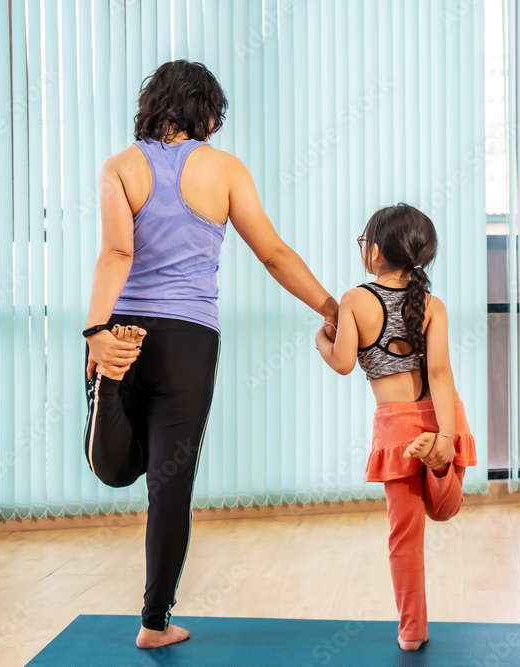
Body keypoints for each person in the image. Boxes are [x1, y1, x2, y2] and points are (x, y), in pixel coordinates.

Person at [81, 60, 339, 649]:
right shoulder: (223, 169)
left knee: (115, 468)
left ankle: (109, 386)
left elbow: (117, 253)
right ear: (207, 112)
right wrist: (328, 307)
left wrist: (96, 330)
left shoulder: (119, 167)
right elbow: (272, 253)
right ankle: (154, 624)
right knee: (170, 484)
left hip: (122, 328)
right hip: (189, 337)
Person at [314, 203, 478, 651]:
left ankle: (412, 632)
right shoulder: (433, 306)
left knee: (404, 537)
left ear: (375, 251)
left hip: (395, 430)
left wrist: (321, 342)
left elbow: (344, 364)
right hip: (440, 419)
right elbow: (441, 374)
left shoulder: (354, 300)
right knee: (445, 509)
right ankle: (440, 467)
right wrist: (445, 437)